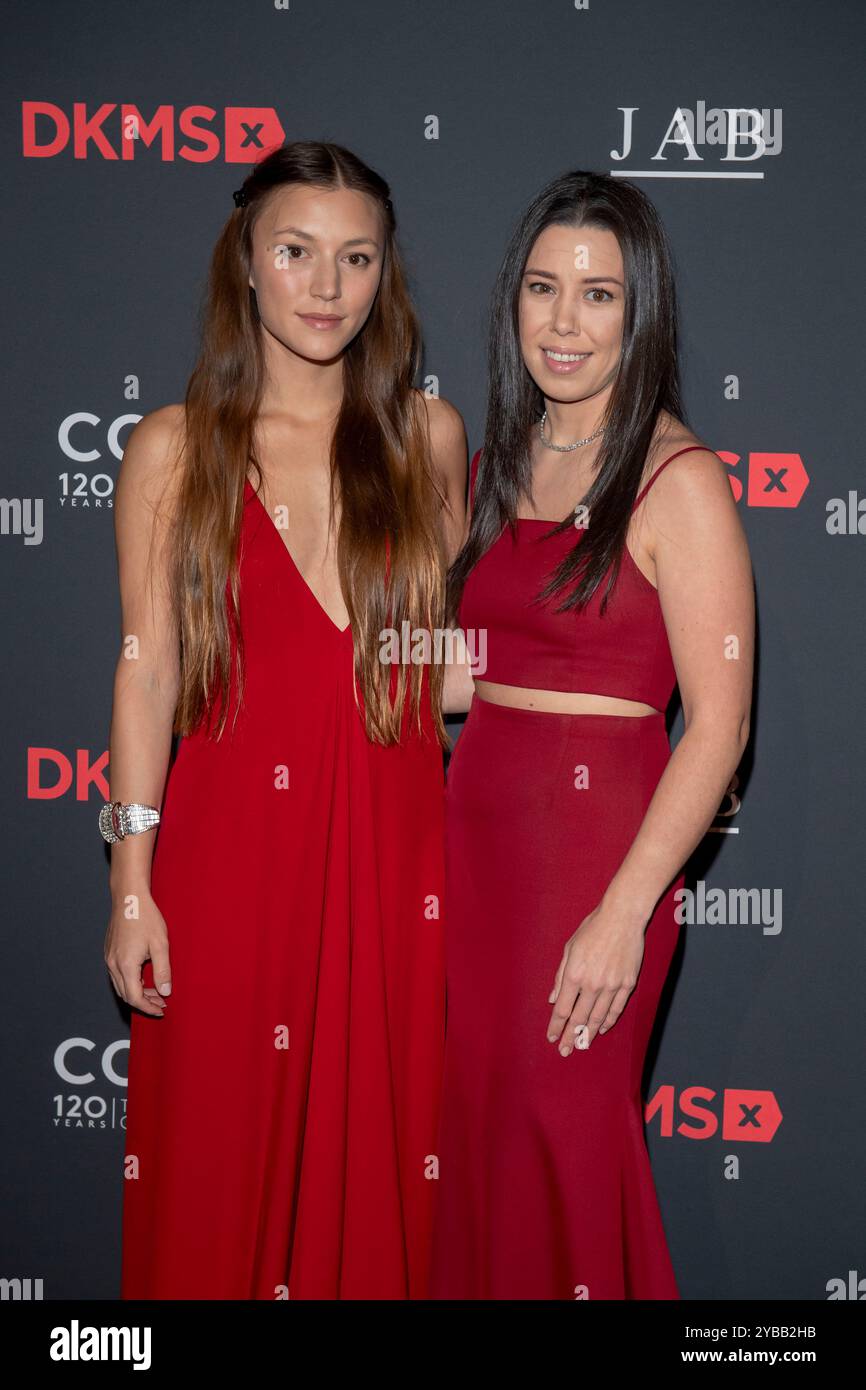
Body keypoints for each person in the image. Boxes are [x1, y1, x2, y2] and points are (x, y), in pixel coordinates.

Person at [103, 141, 467, 1299]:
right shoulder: (173, 447)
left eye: (354, 258)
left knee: (381, 1177)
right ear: (246, 264)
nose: (325, 286)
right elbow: (148, 673)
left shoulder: (428, 440)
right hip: (226, 866)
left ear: (382, 277)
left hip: (387, 856)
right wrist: (131, 884)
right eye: (297, 252)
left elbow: (431, 663)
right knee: (217, 1174)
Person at [430, 170, 754, 1300]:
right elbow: (475, 673)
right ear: (509, 301)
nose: (562, 322)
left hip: (596, 857)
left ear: (641, 310)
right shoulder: (492, 470)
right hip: (474, 848)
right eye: (540, 287)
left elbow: (716, 725)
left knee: (560, 1134)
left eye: (598, 294)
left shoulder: (678, 479)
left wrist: (622, 913)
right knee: (471, 1134)